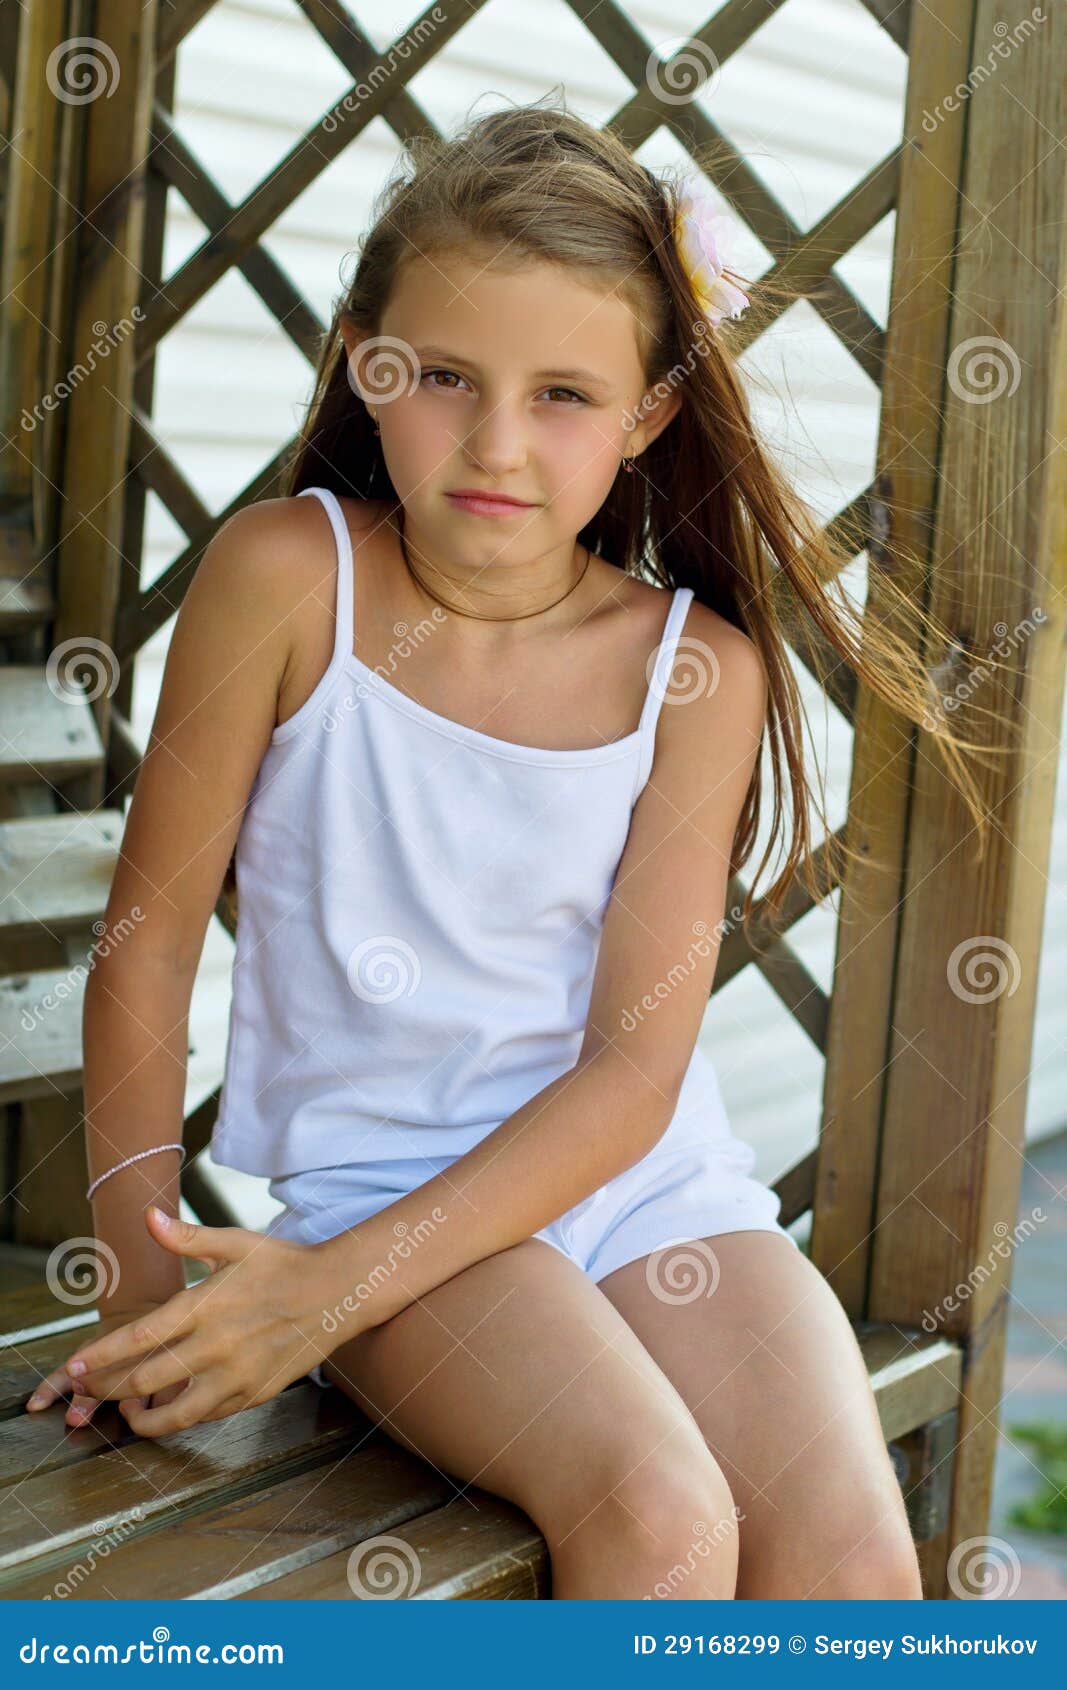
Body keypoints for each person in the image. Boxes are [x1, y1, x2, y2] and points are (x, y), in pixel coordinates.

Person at [28, 100, 996, 1600]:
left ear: (651, 413)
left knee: (855, 1571)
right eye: (445, 380)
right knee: (666, 1522)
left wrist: (307, 1308)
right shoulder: (290, 580)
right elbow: (146, 947)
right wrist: (157, 1301)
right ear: (365, 359)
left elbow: (630, 1079)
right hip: (391, 1194)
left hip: (649, 1189)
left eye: (562, 394)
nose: (495, 444)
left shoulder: (695, 669)